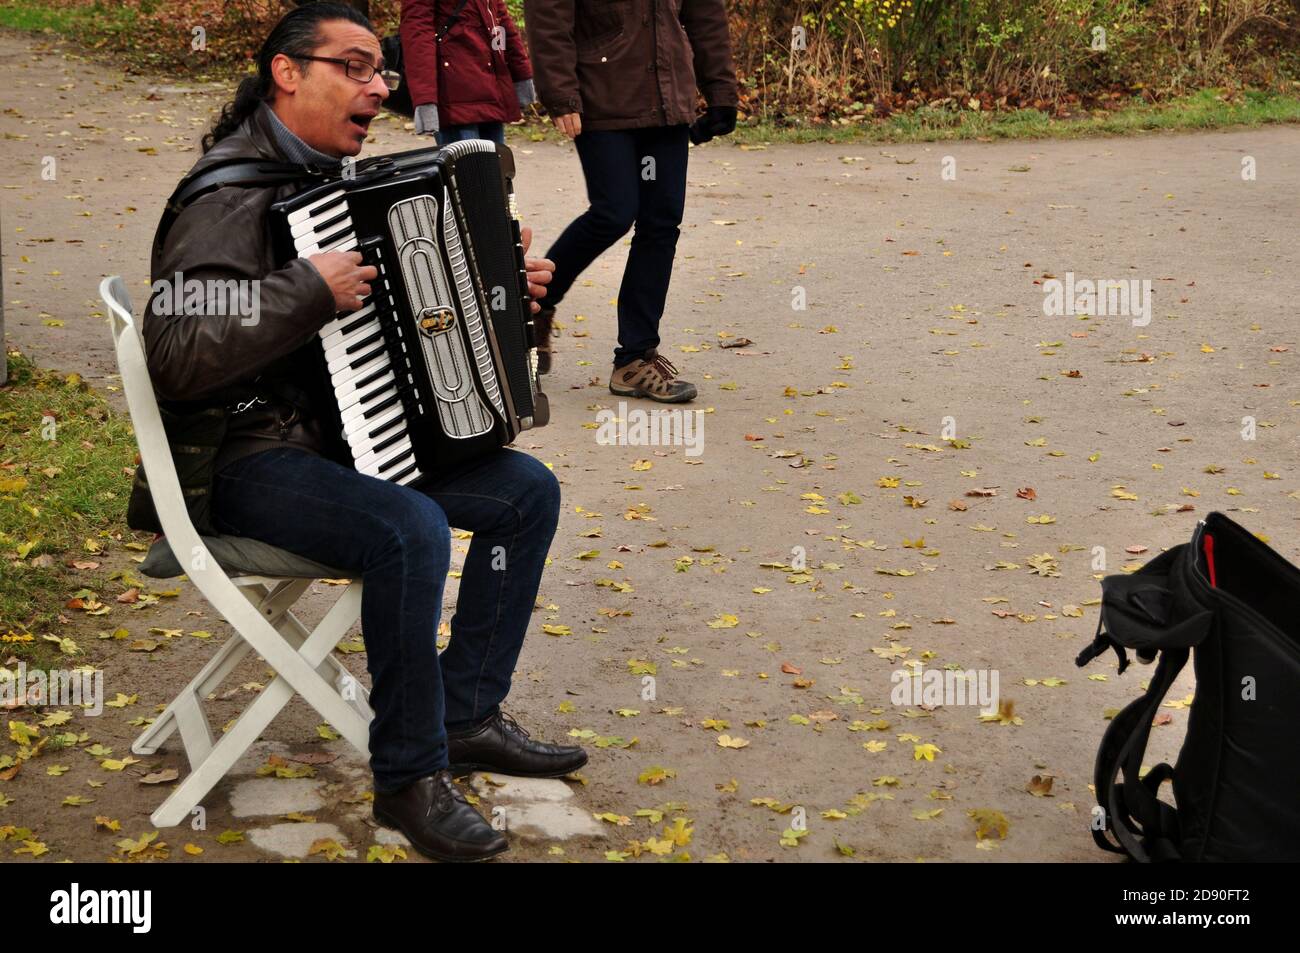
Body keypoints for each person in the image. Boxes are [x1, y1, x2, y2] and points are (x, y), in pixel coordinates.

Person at [136, 2, 586, 863]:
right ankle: (408, 780)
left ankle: (465, 713)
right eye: (354, 67)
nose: (377, 89)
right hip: (238, 457)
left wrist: (511, 297)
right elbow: (175, 349)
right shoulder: (227, 193)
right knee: (407, 526)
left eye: (381, 72)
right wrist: (306, 288)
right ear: (287, 72)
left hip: (332, 438)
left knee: (524, 492)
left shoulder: (338, 189)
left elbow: (422, 328)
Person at [522, 0, 739, 399]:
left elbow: (705, 13)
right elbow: (548, 16)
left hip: (667, 96)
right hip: (602, 96)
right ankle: (535, 304)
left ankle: (634, 359)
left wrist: (721, 89)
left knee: (661, 223)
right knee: (614, 211)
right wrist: (561, 94)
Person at [400, 0, 536, 146]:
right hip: (453, 98)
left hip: (490, 91)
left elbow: (500, 22)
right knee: (466, 167)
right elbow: (418, 33)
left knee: (494, 167)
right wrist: (425, 99)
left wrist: (521, 74)